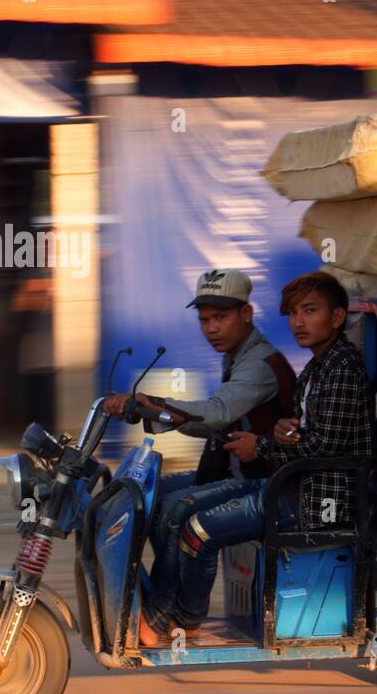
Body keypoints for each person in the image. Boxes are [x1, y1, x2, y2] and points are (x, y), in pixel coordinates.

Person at [138, 271, 371, 647]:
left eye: (310, 311)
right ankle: (163, 612)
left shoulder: (341, 367)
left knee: (198, 528)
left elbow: (326, 445)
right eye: (293, 313)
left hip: (316, 499)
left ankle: (181, 620)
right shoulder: (316, 367)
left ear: (338, 317)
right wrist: (284, 433)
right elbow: (305, 433)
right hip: (292, 483)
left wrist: (263, 446)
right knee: (172, 506)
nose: (298, 322)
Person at [102, 268, 296, 631]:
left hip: (263, 479)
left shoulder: (259, 364)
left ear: (247, 314)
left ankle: (177, 614)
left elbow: (216, 413)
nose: (211, 328)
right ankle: (160, 595)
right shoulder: (238, 354)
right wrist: (149, 409)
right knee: (152, 494)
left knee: (179, 509)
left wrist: (152, 401)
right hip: (233, 470)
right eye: (205, 319)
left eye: (221, 317)